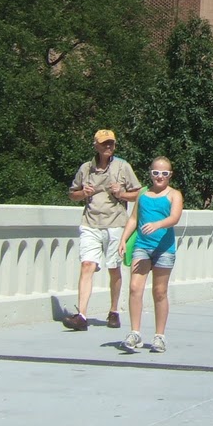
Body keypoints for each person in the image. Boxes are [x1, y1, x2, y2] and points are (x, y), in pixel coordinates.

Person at [63, 129, 141, 331]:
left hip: (115, 224)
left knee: (114, 269)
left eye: (111, 143)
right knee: (87, 265)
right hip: (90, 223)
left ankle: (114, 311)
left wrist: (122, 193)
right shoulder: (86, 169)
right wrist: (83, 193)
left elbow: (138, 193)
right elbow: (73, 194)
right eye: (105, 143)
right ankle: (81, 315)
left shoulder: (122, 167)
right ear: (96, 146)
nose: (109, 147)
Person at [119, 157, 183, 352]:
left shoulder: (174, 195)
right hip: (142, 246)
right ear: (151, 173)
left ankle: (159, 336)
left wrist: (157, 224)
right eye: (156, 173)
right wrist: (123, 239)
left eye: (164, 173)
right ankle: (135, 333)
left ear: (170, 175)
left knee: (159, 291)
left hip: (164, 249)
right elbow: (133, 219)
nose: (159, 177)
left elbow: (175, 217)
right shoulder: (143, 194)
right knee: (134, 288)